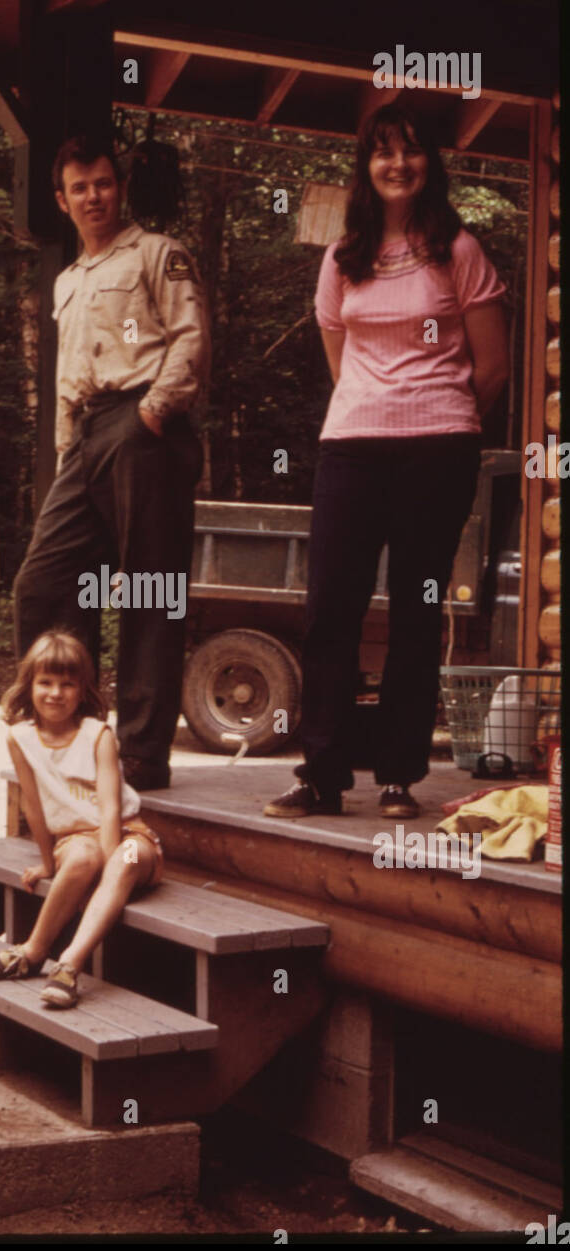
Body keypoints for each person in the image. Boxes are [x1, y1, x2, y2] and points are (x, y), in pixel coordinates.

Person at [265, 100, 509, 821]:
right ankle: (322, 776)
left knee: (416, 606)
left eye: (410, 151)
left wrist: (436, 417)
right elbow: (342, 360)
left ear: (430, 163)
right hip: (353, 447)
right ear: (365, 165)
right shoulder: (343, 256)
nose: (396, 163)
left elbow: (490, 369)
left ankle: (400, 775)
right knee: (330, 609)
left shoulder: (458, 250)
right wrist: (377, 411)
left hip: (437, 449)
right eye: (382, 152)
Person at [12, 133, 210, 791]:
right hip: (87, 436)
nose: (92, 196)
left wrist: (153, 414)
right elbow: (69, 374)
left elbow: (190, 338)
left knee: (150, 591)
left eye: (102, 182)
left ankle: (143, 757)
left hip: (144, 424)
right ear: (61, 199)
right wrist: (71, 445)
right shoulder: (69, 279)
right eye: (79, 187)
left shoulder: (159, 253)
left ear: (118, 187)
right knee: (44, 583)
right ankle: (67, 736)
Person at [0, 630, 163, 1009]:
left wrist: (107, 868)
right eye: (45, 682)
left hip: (127, 836)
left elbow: (109, 809)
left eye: (67, 684)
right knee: (80, 857)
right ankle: (32, 952)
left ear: (82, 690)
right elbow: (34, 808)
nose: (55, 693)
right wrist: (46, 863)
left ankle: (69, 965)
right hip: (75, 840)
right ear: (30, 686)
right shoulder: (20, 738)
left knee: (121, 861)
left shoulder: (98, 735)